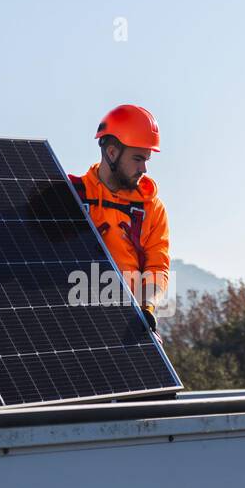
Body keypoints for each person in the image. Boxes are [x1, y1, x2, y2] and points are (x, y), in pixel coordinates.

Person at [68, 105, 170, 330]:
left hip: (127, 324)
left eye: (146, 160)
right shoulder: (71, 195)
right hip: (71, 318)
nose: (144, 168)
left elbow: (157, 266)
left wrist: (147, 307)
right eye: (137, 159)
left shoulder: (152, 208)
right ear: (112, 153)